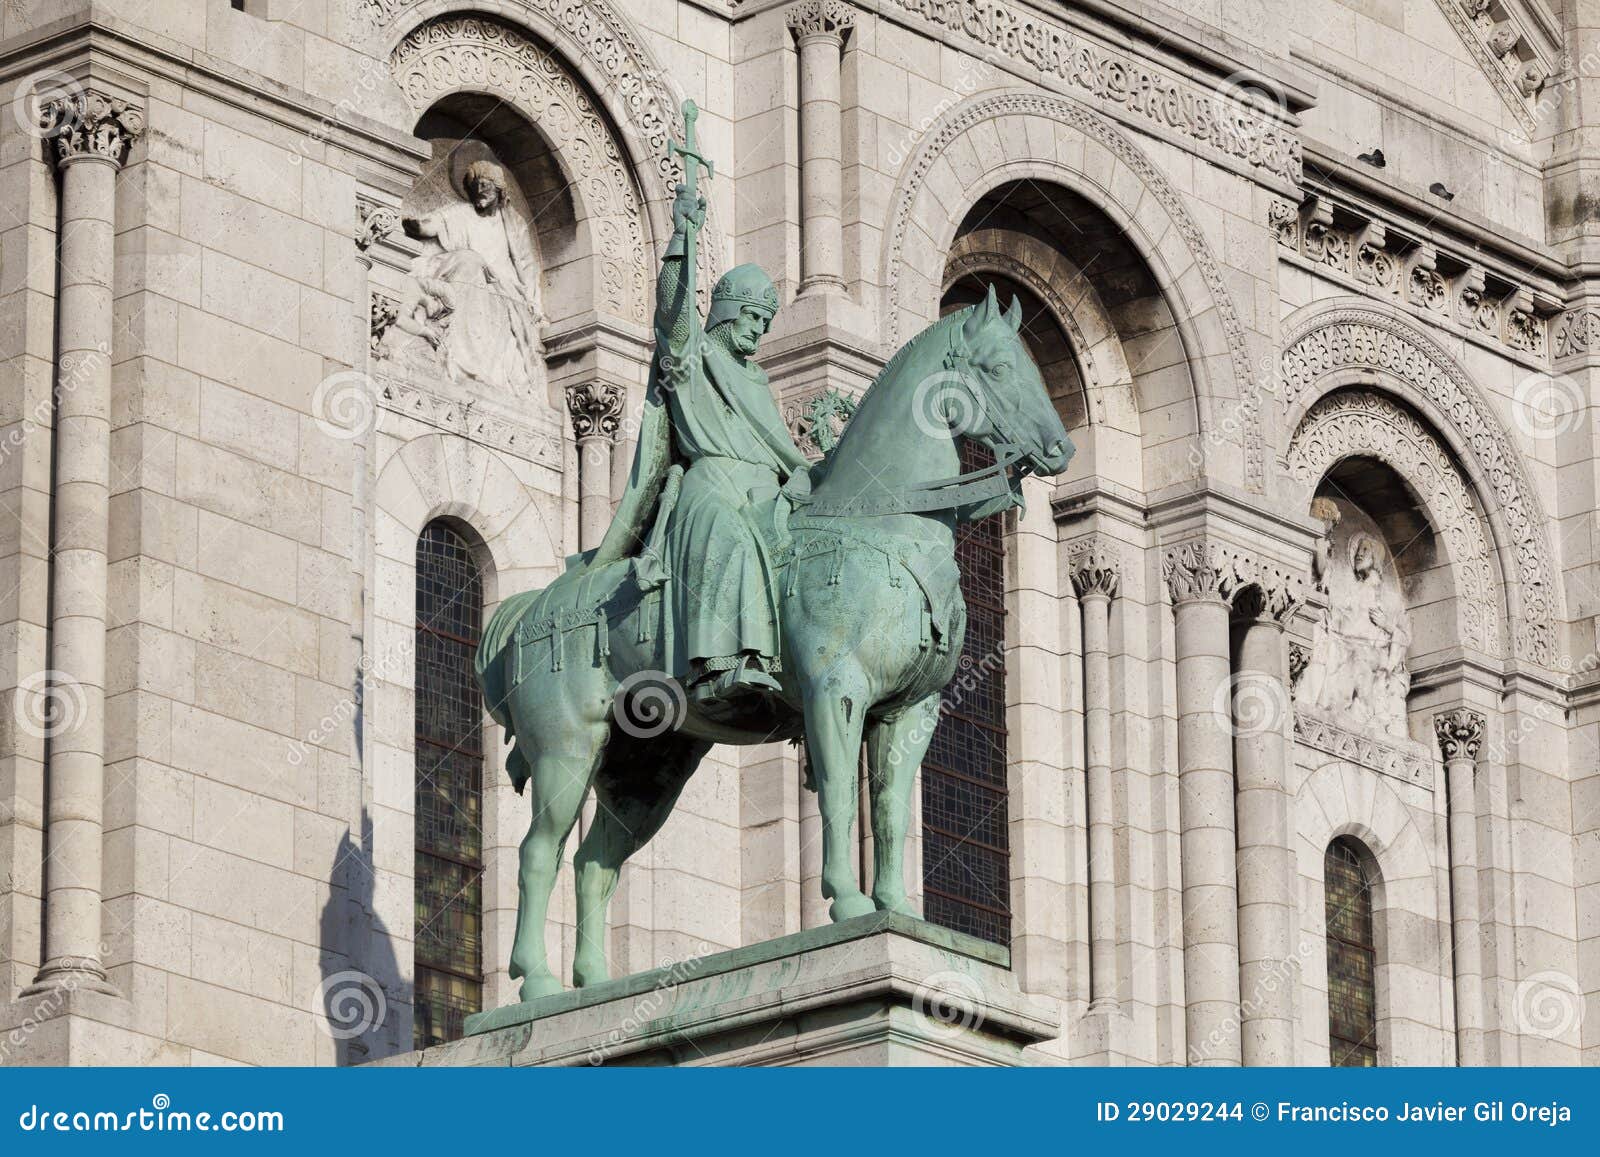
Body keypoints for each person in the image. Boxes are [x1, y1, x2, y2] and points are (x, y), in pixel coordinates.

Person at [622, 183, 812, 717]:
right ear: (728, 313)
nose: (760, 333)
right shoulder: (695, 355)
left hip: (763, 489)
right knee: (732, 534)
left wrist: (803, 480)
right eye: (754, 320)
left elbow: (783, 452)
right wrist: (683, 237)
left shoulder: (757, 380)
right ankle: (721, 662)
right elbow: (672, 319)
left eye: (767, 324)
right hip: (710, 487)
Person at [400, 159, 544, 392]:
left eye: (485, 185)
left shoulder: (515, 224)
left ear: (499, 189)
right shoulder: (461, 213)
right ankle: (462, 363)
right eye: (475, 185)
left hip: (505, 288)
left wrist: (533, 303)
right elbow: (431, 225)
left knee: (501, 300)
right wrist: (413, 225)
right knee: (471, 261)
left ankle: (481, 370)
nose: (479, 190)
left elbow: (526, 265)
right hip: (465, 274)